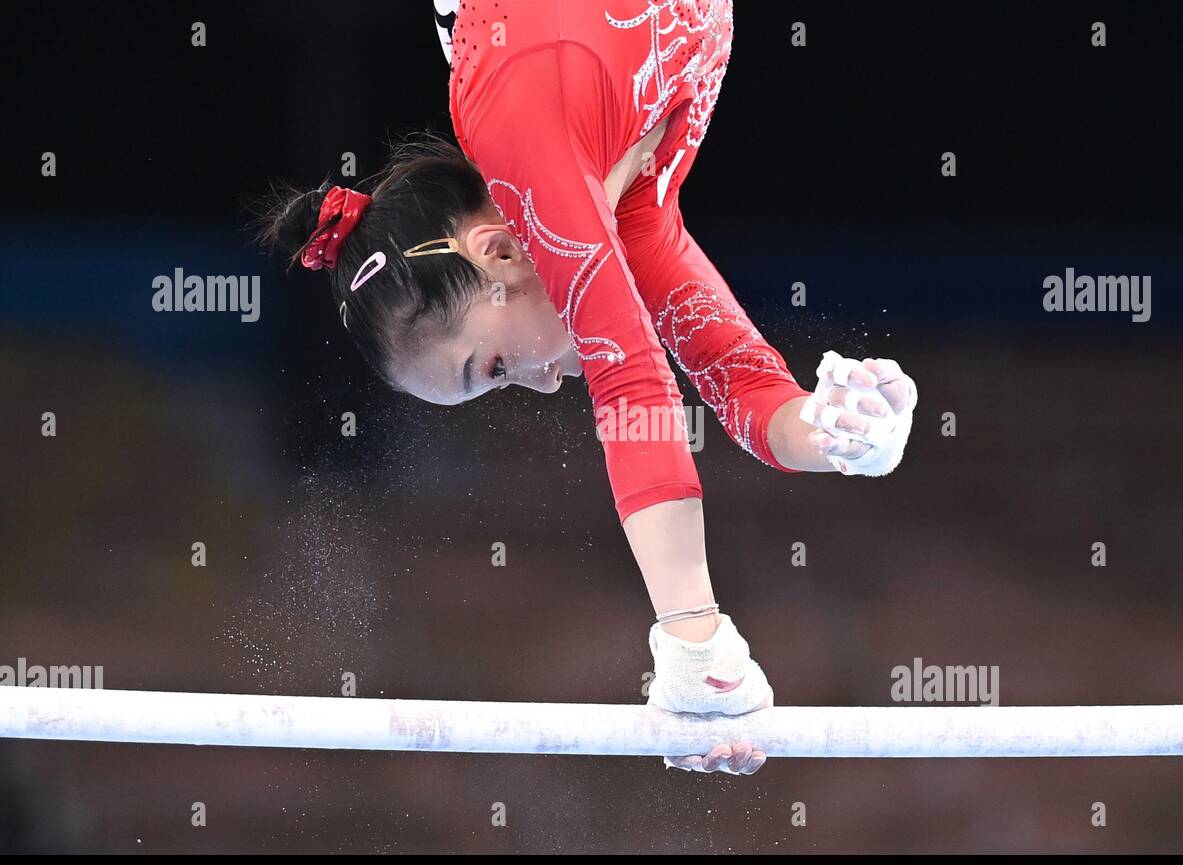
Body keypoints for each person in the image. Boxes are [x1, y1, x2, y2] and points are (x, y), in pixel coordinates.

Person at [258, 0, 917, 774]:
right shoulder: (629, 206)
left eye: (495, 369)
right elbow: (740, 379)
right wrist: (842, 430)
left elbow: (632, 381)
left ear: (499, 252)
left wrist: (695, 643)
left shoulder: (519, 131)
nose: (538, 387)